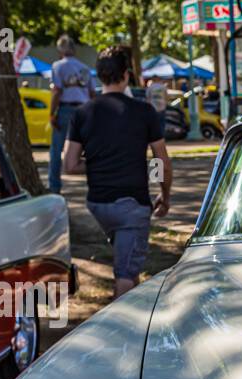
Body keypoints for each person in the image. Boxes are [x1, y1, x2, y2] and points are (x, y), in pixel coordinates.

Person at [63, 46, 172, 300]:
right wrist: (163, 195)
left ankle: (133, 312)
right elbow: (161, 161)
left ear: (99, 76)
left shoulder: (81, 113)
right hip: (131, 205)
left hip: (98, 205)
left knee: (129, 263)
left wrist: (102, 164)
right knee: (125, 274)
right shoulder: (144, 112)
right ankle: (121, 333)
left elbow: (69, 164)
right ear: (126, 75)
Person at [48, 35, 95, 193]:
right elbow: (92, 93)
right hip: (85, 110)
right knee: (89, 150)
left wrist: (52, 113)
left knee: (56, 150)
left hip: (66, 110)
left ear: (60, 50)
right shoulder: (85, 68)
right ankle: (96, 183)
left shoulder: (58, 66)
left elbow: (57, 91)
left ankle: (54, 187)